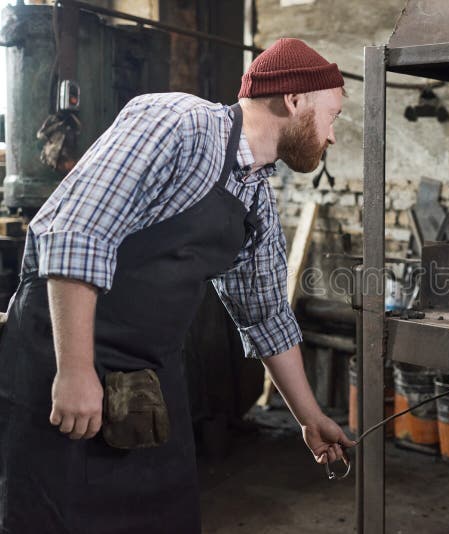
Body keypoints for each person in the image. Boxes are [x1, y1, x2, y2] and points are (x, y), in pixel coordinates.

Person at [0, 38, 355, 533]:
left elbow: (267, 316)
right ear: (294, 100)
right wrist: (76, 369)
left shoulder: (255, 200)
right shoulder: (179, 124)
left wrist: (308, 417)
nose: (332, 136)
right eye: (332, 116)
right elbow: (79, 231)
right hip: (64, 361)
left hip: (146, 382)